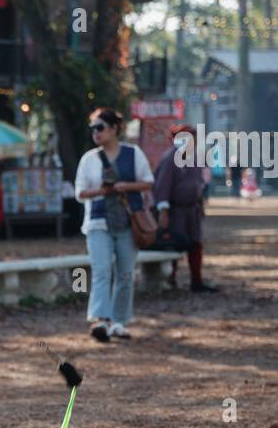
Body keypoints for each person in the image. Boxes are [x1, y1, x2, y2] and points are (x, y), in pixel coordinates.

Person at [74, 107, 153, 342]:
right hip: (98, 220)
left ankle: (119, 320)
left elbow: (148, 182)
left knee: (126, 272)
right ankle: (100, 319)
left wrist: (123, 187)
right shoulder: (89, 159)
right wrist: (102, 191)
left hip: (129, 220)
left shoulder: (133, 153)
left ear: (114, 129)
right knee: (101, 270)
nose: (95, 133)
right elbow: (80, 192)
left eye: (100, 128)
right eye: (93, 129)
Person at [154, 123, 218, 292]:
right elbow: (162, 185)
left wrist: (200, 205)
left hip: (192, 210)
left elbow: (198, 183)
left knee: (195, 244)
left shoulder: (194, 157)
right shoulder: (170, 158)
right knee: (173, 243)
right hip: (175, 211)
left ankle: (196, 281)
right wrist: (163, 211)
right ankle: (170, 280)